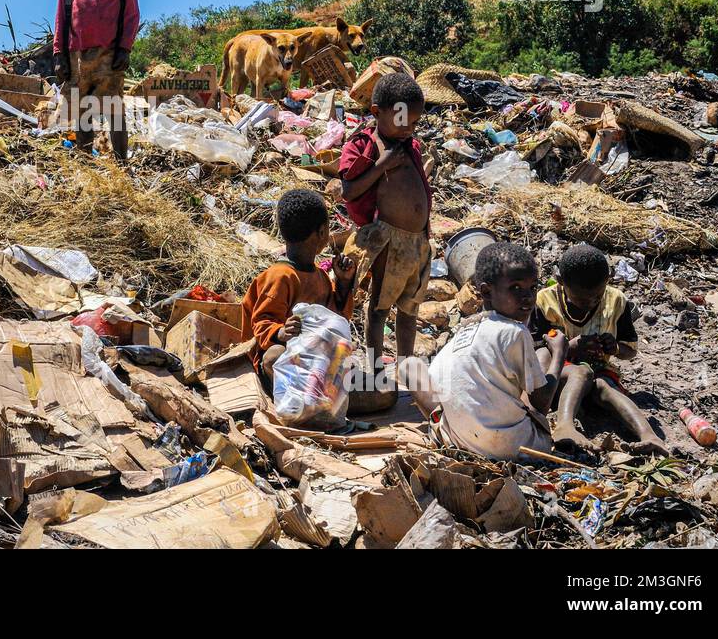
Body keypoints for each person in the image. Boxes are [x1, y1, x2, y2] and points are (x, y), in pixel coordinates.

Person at [400, 242, 567, 460]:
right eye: (516, 288)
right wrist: (560, 354)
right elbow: (541, 403)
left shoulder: (460, 333)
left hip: (459, 443)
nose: (528, 297)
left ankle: (446, 429)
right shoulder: (515, 332)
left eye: (533, 287)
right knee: (544, 355)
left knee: (409, 366)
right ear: (486, 291)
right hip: (519, 448)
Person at [532, 244, 669, 455]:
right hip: (559, 375)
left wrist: (613, 347)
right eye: (582, 299)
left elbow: (630, 350)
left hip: (598, 372)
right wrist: (570, 347)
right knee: (582, 371)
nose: (592, 302)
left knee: (605, 386)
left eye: (598, 296)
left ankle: (649, 435)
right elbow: (535, 351)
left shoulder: (616, 301)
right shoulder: (544, 301)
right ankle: (565, 426)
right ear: (561, 282)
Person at [339, 72, 432, 379]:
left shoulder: (410, 145)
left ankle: (406, 368)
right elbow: (349, 190)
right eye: (403, 119)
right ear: (377, 112)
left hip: (417, 242)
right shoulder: (366, 145)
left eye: (415, 122)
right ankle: (376, 372)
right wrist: (383, 164)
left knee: (409, 309)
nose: (409, 127)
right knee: (379, 307)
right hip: (388, 241)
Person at [53, 0, 139, 163]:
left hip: (110, 54)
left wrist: (124, 48)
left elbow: (131, 14)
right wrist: (59, 54)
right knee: (82, 112)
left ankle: (122, 164)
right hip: (78, 55)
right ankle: (84, 163)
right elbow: (63, 15)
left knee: (114, 110)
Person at [241, 189, 356, 380]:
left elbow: (336, 319)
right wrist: (281, 332)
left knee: (384, 394)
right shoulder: (280, 276)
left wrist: (343, 283)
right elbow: (261, 323)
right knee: (275, 355)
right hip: (282, 361)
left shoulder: (319, 275)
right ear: (321, 233)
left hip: (314, 358)